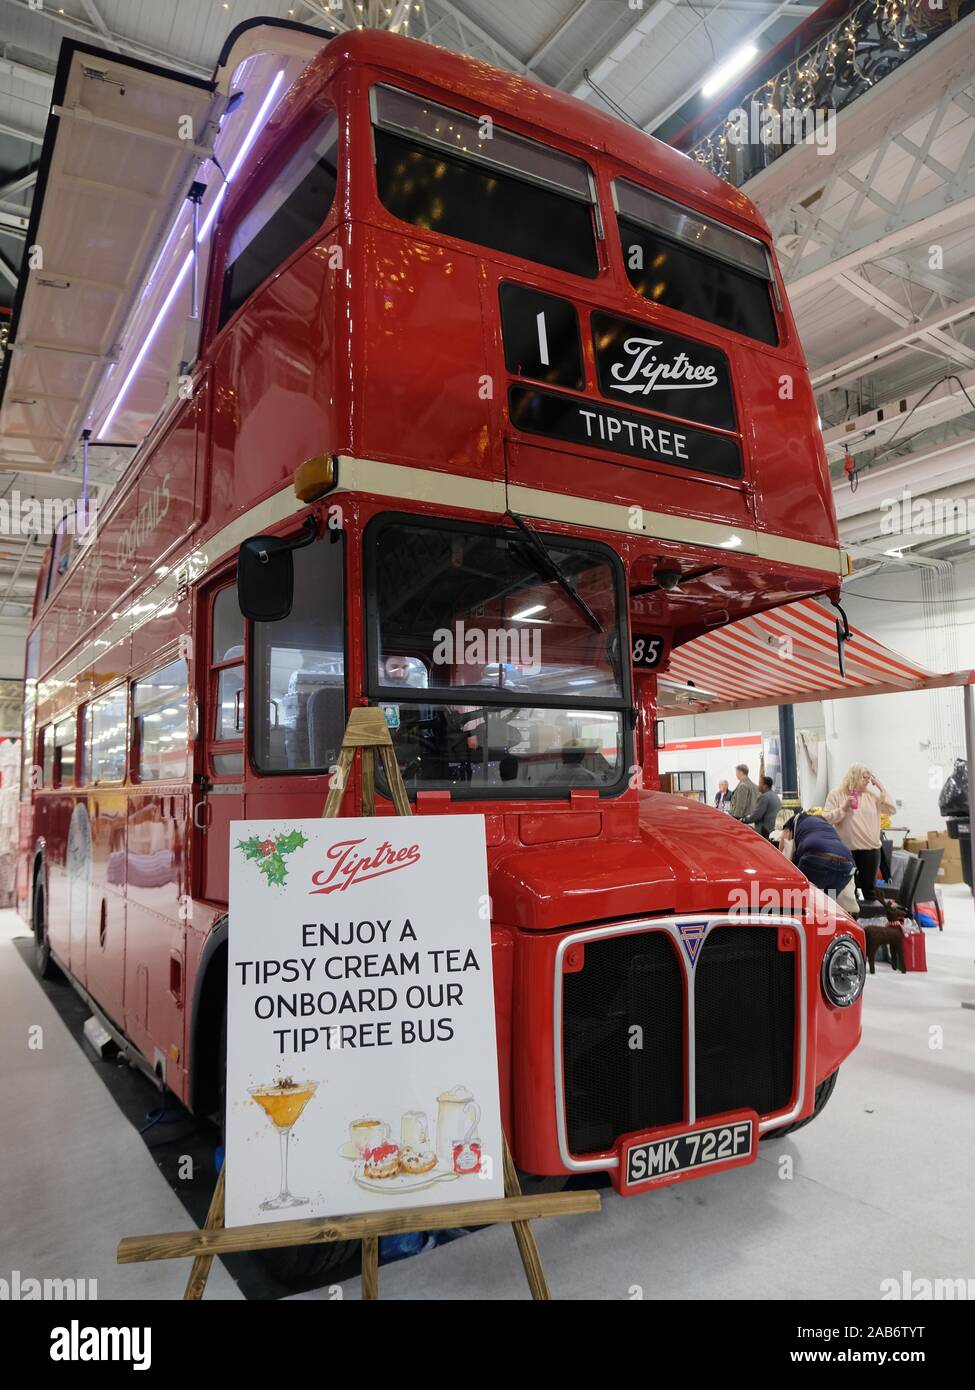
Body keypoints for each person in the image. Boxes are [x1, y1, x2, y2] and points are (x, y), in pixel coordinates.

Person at [822, 763, 896, 904]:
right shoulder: (837, 794)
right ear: (853, 776)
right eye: (864, 777)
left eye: (869, 778)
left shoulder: (872, 795)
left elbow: (891, 810)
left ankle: (872, 920)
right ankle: (847, 918)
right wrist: (843, 808)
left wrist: (881, 789)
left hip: (870, 850)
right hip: (845, 851)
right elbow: (826, 818)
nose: (868, 781)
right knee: (845, 888)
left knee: (870, 890)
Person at [780, 811, 856, 899]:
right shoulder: (827, 826)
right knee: (828, 905)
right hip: (847, 868)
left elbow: (784, 838)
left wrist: (778, 854)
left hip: (817, 860)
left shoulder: (799, 817)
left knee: (797, 900)